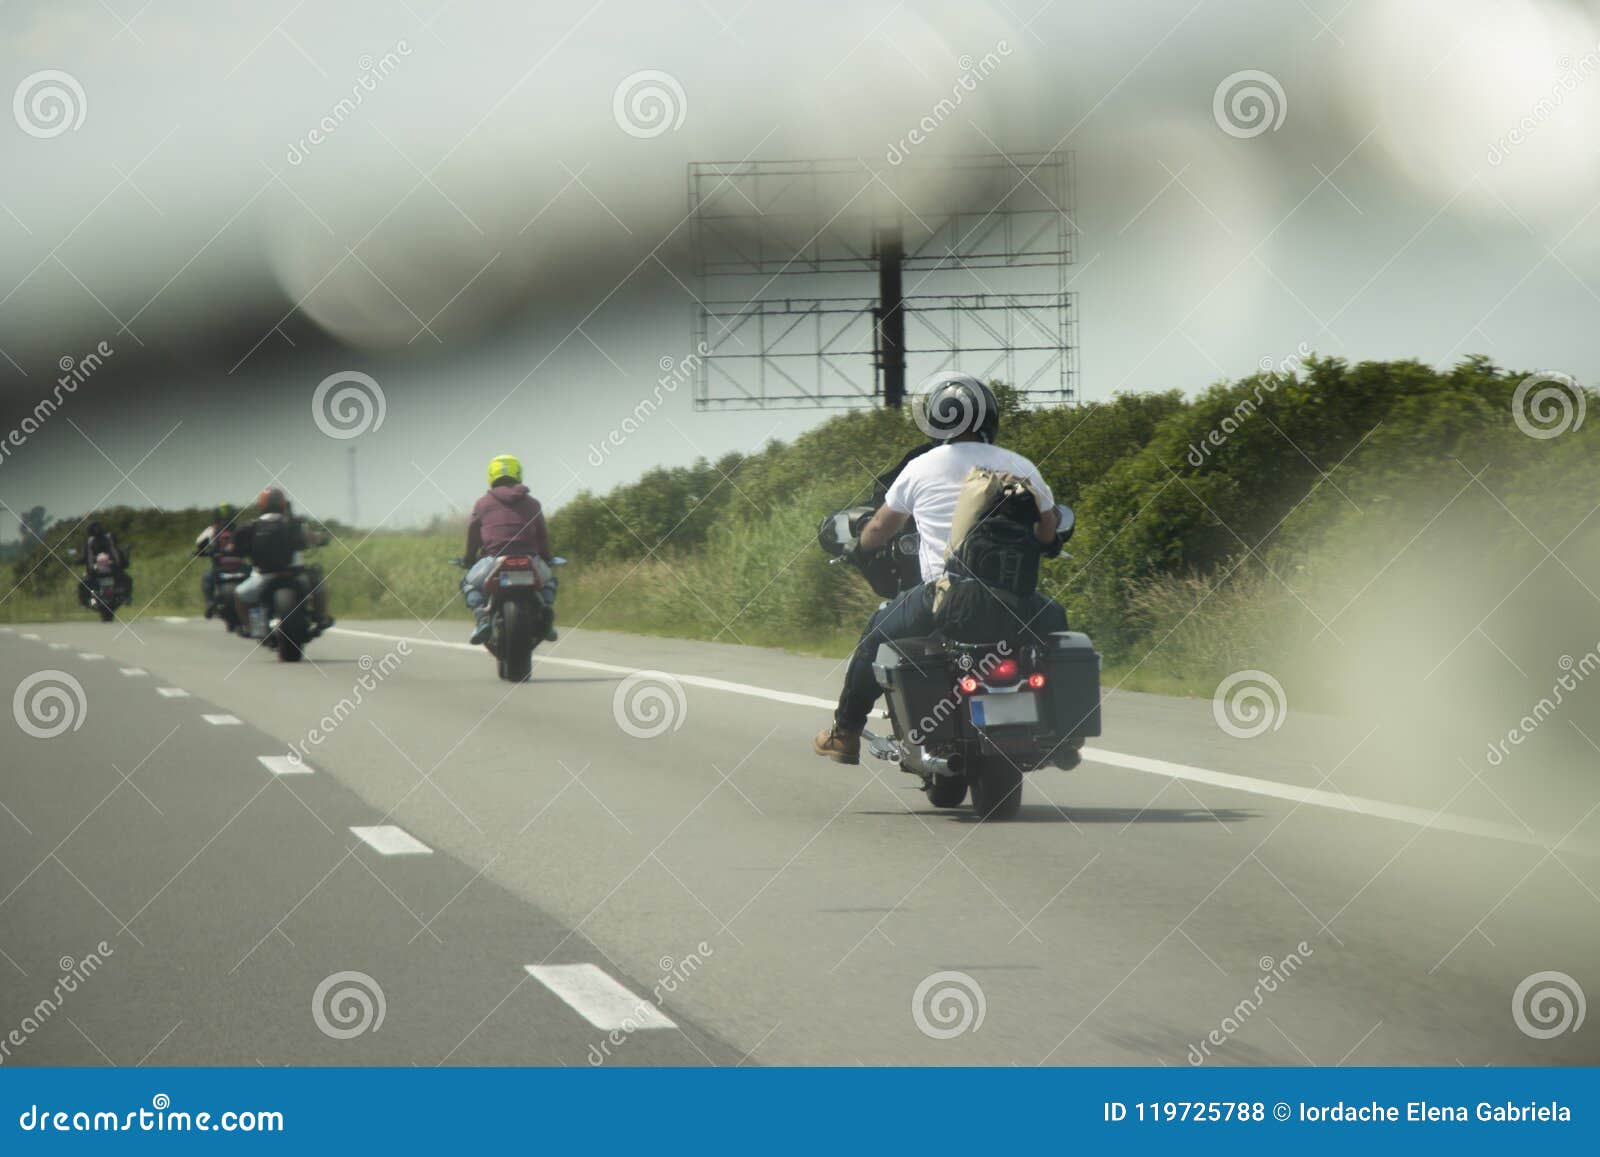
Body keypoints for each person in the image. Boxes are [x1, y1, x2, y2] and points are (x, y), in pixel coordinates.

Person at [813, 373, 1063, 765]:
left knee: (875, 638)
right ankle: (1062, 728)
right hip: (1015, 601)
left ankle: (845, 733)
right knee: (1059, 630)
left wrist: (858, 549)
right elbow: (1049, 532)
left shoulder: (920, 467)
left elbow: (880, 527)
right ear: (989, 418)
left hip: (942, 597)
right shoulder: (1019, 465)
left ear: (936, 420)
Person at [461, 453, 556, 645]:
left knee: (468, 584)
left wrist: (469, 558)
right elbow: (542, 536)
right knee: (550, 582)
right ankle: (546, 612)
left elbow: (473, 535)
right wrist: (546, 558)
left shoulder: (482, 503)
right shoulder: (533, 503)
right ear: (518, 473)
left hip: (494, 559)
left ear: (491, 475)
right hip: (530, 559)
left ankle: (482, 616)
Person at [232, 487, 334, 634]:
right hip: (295, 574)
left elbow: (235, 548)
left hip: (263, 575)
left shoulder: (250, 527)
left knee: (240, 595)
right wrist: (322, 539)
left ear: (261, 505)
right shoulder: (294, 524)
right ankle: (320, 617)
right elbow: (313, 538)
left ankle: (252, 628)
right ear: (283, 504)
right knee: (318, 580)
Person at [194, 502, 243, 614]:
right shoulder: (240, 528)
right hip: (240, 566)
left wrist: (201, 552)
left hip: (220, 567)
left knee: (206, 578)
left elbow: (199, 542)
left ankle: (209, 602)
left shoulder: (212, 529)